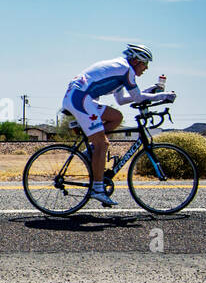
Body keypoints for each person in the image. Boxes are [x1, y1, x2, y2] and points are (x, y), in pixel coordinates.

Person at [61, 44, 175, 206]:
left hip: (80, 96)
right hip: (81, 98)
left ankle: (90, 150)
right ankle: (97, 189)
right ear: (136, 61)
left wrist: (151, 91)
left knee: (116, 117)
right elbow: (138, 98)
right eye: (145, 64)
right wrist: (164, 96)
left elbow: (121, 100)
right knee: (103, 144)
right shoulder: (126, 69)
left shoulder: (121, 70)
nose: (146, 68)